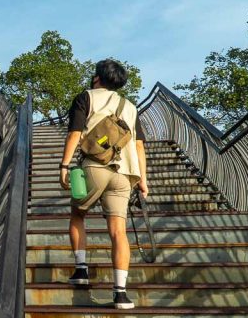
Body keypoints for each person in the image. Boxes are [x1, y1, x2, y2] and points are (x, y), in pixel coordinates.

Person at [58, 59, 149, 310]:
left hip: (95, 167)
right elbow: (139, 146)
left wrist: (64, 166)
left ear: (97, 77)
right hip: (124, 174)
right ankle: (120, 294)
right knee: (119, 232)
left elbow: (75, 134)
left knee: (78, 214)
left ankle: (82, 270)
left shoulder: (86, 97)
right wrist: (143, 180)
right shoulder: (130, 107)